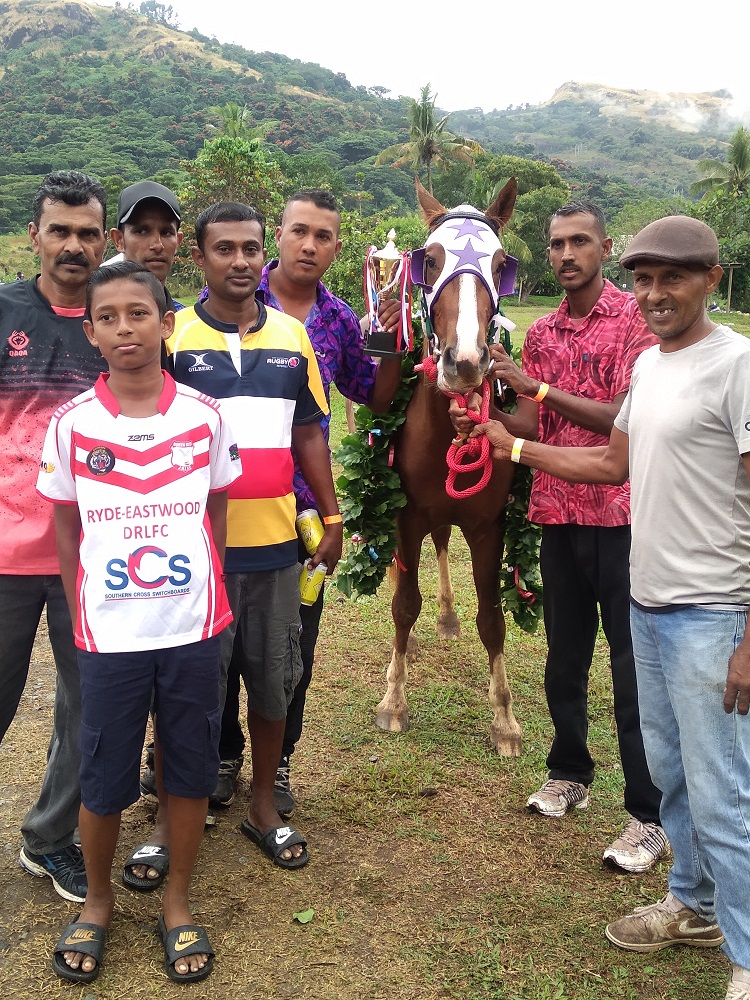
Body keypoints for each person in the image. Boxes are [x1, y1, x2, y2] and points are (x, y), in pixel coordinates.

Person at [474, 215, 750, 1000]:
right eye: (645, 279)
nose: (656, 293)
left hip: (713, 610)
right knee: (674, 776)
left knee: (724, 793)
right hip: (649, 604)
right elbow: (608, 462)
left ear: (712, 279)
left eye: (674, 277)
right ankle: (693, 905)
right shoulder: (653, 367)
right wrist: (511, 445)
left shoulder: (738, 366)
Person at [38, 262, 239, 983]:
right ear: (91, 333)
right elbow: (67, 531)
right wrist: (85, 608)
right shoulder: (71, 426)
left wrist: (205, 590)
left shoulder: (205, 417)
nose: (125, 328)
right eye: (108, 317)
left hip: (192, 628)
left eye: (139, 313)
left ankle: (176, 902)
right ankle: (97, 902)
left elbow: (216, 512)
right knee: (104, 774)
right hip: (110, 637)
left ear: (166, 323)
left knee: (188, 770)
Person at [452, 201, 665, 872]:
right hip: (558, 512)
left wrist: (536, 388)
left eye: (579, 242)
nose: (567, 254)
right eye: (556, 244)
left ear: (606, 247)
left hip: (623, 517)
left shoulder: (635, 320)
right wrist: (488, 424)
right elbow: (531, 425)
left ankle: (649, 813)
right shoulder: (541, 331)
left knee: (632, 672)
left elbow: (622, 419)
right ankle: (569, 771)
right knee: (563, 659)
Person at [165, 201, 342, 868]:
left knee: (274, 684)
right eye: (224, 249)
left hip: (274, 553)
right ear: (199, 258)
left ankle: (262, 804)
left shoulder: (294, 337)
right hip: (195, 554)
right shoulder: (172, 337)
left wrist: (332, 517)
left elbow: (308, 432)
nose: (239, 261)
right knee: (190, 692)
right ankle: (176, 813)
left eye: (249, 248)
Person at [214, 189, 402, 816]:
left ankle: (279, 762)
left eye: (323, 236)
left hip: (300, 512)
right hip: (219, 508)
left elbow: (372, 394)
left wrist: (389, 339)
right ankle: (221, 754)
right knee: (217, 643)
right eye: (299, 231)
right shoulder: (233, 299)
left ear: (337, 248)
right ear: (279, 235)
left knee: (293, 644)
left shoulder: (341, 319)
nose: (310, 245)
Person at [1, 170, 108, 903]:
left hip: (91, 557)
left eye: (88, 233)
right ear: (34, 235)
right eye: (60, 231)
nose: (74, 245)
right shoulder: (3, 310)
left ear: (105, 241)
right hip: (5, 553)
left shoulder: (119, 317)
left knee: (88, 710)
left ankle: (50, 838)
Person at [108, 180, 185, 313]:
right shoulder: (93, 320)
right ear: (119, 240)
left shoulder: (186, 322)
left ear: (178, 241)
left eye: (166, 232)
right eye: (142, 231)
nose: (157, 245)